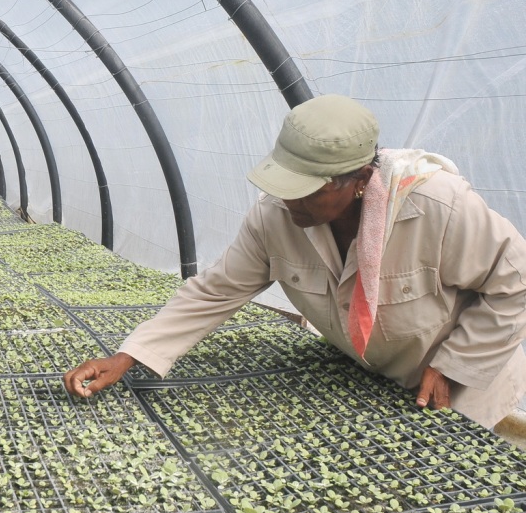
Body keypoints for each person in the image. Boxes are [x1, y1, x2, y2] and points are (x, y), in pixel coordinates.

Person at [64, 94, 526, 428]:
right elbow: (215, 291)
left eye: (309, 190)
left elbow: (515, 282)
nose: (290, 202)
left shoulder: (436, 206)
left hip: (461, 381)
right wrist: (128, 356)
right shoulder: (275, 216)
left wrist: (453, 365)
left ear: (360, 180)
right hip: (372, 377)